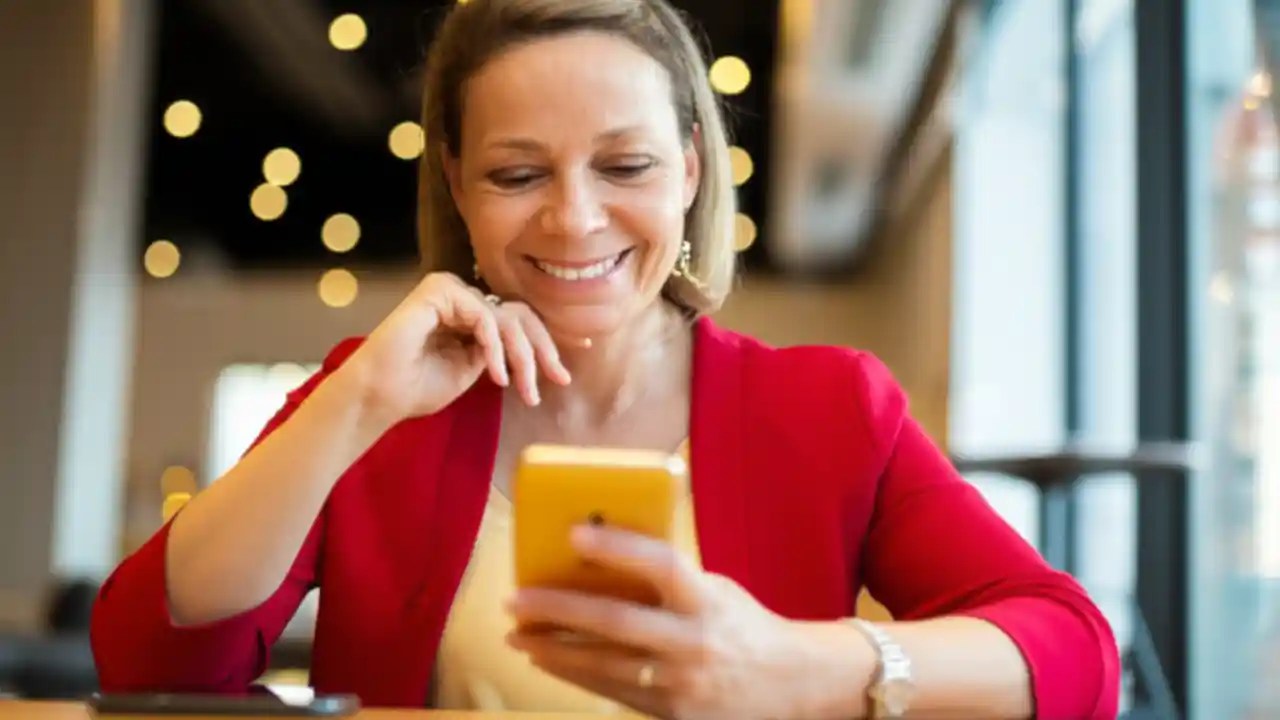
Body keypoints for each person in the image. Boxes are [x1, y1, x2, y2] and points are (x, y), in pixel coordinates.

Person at [90, 0, 1121, 717]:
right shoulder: (375, 401)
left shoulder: (828, 406)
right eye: (515, 172)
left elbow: (1073, 656)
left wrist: (800, 667)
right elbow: (148, 661)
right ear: (456, 184)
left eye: (622, 164)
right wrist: (353, 403)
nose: (574, 219)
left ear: (687, 167)